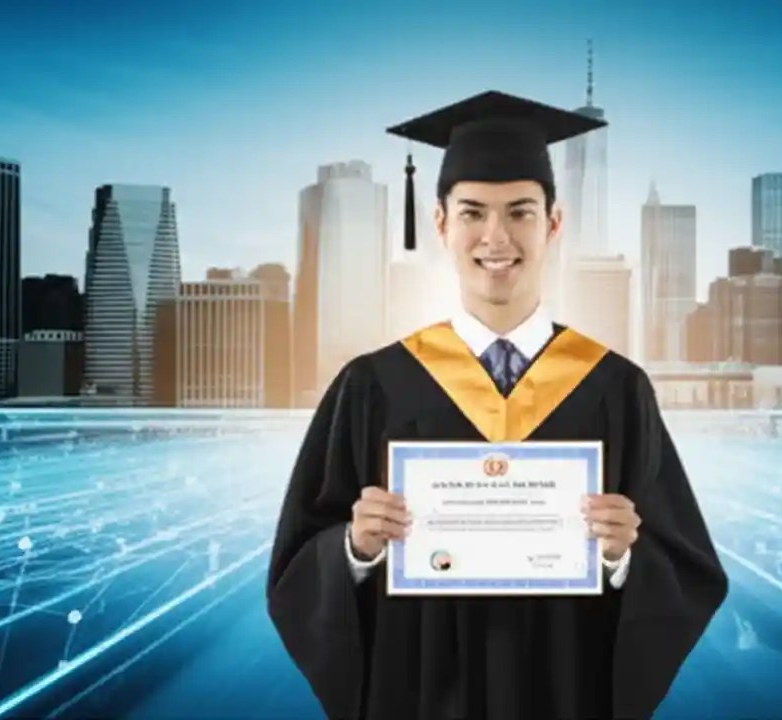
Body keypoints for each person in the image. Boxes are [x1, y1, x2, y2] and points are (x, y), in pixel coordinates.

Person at [266, 90, 729, 720]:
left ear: (553, 223)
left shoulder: (616, 388)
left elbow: (688, 574)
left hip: (566, 695)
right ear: (440, 224)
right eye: (472, 213)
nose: (496, 238)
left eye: (520, 212)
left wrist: (625, 558)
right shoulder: (373, 385)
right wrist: (354, 547)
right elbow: (296, 567)